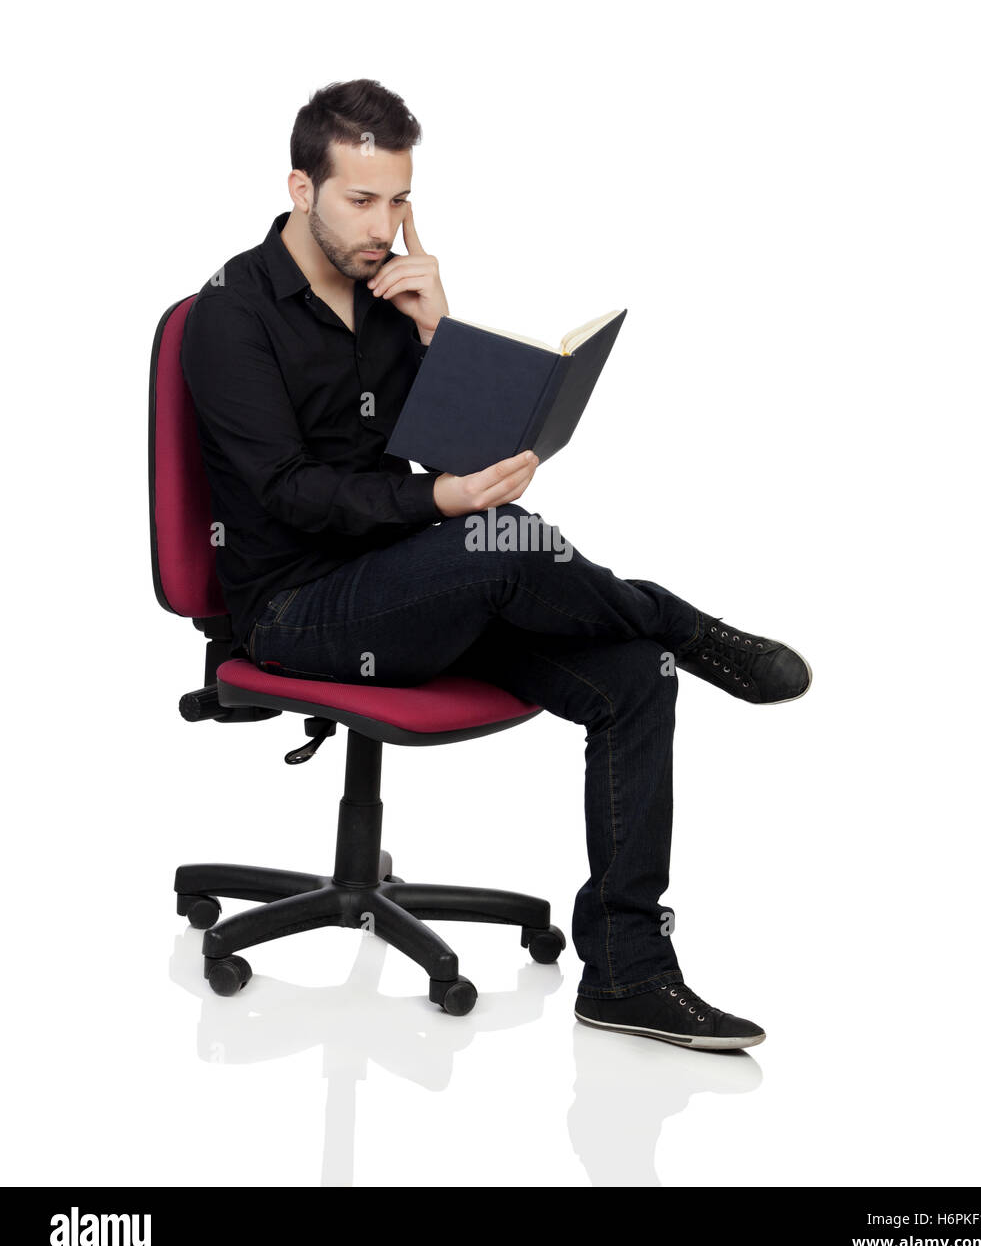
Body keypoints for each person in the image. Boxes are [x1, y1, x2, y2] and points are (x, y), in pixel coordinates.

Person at [180, 78, 812, 1052]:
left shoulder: (392, 295)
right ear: (300, 188)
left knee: (631, 677)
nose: (382, 226)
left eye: (398, 200)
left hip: (411, 583)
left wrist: (441, 331)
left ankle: (627, 971)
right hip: (293, 607)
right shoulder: (231, 312)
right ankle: (676, 619)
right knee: (496, 545)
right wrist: (442, 506)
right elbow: (290, 493)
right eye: (360, 200)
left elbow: (463, 466)